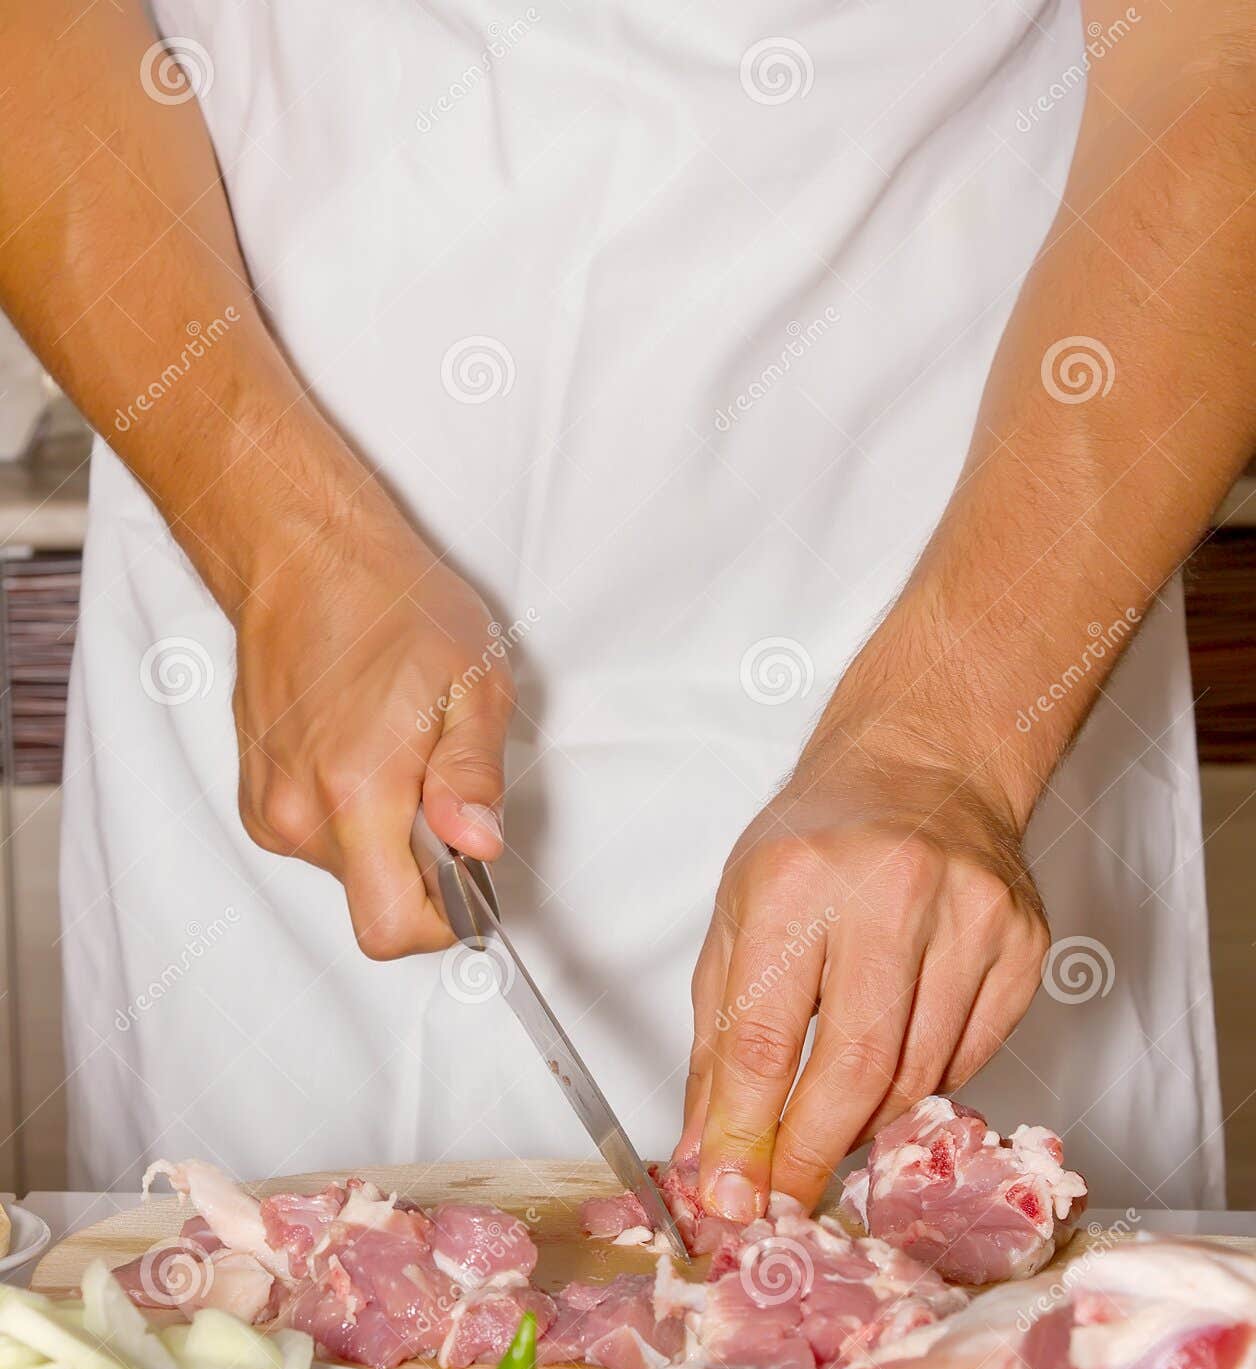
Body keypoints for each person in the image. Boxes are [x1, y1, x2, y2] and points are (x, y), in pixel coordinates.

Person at [1, 2, 1251, 1212]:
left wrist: (952, 736)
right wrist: (274, 535)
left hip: (969, 578)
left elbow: (1217, 55)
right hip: (266, 566)